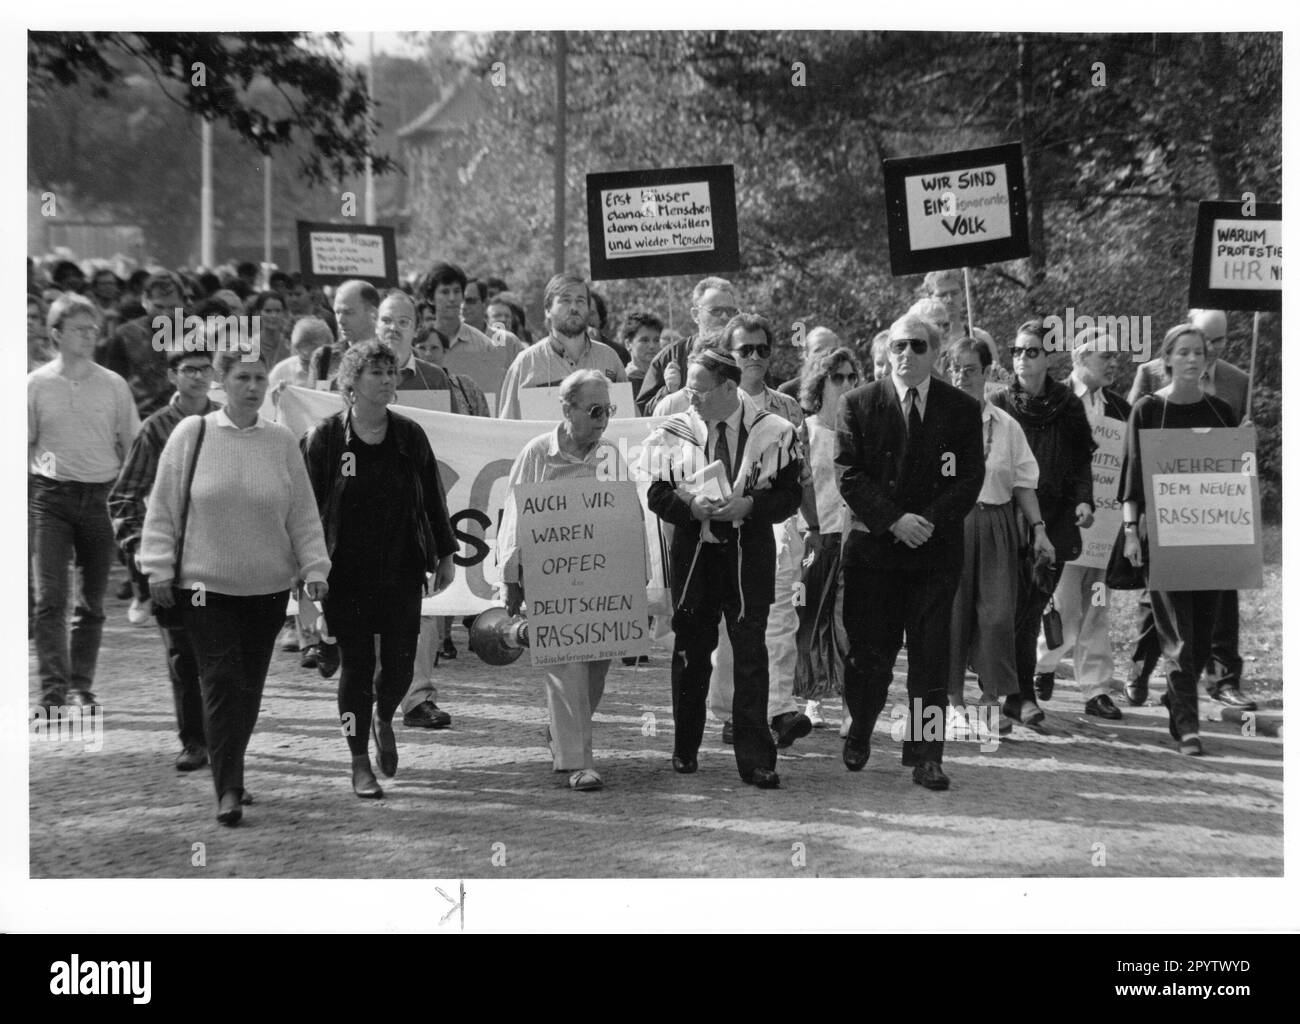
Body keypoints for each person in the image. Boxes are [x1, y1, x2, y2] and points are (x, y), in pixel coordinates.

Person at [141, 349, 330, 825]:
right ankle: (228, 788)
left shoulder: (282, 441)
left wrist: (315, 569)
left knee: (247, 686)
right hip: (205, 589)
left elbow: (302, 513)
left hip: (266, 591)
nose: (252, 386)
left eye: (260, 377)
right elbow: (163, 505)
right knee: (221, 678)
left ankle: (232, 768)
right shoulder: (193, 434)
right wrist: (158, 567)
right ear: (223, 385)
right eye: (242, 377)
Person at [834, 313, 983, 791]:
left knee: (930, 658)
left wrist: (929, 522)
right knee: (868, 655)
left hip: (934, 553)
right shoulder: (858, 404)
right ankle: (861, 727)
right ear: (887, 350)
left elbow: (969, 477)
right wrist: (894, 520)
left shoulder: (959, 408)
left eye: (918, 346)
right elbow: (848, 475)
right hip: (875, 552)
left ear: (934, 353)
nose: (906, 355)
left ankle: (926, 754)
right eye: (898, 345)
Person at [302, 341, 457, 798]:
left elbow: (434, 498)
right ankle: (358, 762)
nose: (389, 380)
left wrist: (445, 555)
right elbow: (307, 511)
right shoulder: (325, 439)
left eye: (392, 372)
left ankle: (383, 715)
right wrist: (308, 574)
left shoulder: (410, 436)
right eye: (377, 373)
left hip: (402, 567)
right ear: (351, 384)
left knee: (401, 668)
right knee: (358, 666)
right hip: (345, 573)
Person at [643, 349, 804, 789]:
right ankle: (685, 747)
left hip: (747, 555)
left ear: (730, 388)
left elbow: (790, 496)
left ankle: (755, 760)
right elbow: (656, 495)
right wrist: (690, 506)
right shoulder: (673, 430)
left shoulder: (776, 432)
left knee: (750, 653)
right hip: (696, 554)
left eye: (699, 389)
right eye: (688, 388)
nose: (689, 397)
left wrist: (751, 504)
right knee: (691, 652)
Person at [497, 370, 634, 791]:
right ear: (567, 409)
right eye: (594, 410)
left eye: (608, 410)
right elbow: (514, 519)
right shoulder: (537, 454)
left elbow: (631, 519)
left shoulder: (611, 455)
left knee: (594, 671)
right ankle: (579, 761)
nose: (603, 419)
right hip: (551, 585)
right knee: (565, 669)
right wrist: (511, 577)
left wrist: (634, 588)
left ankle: (563, 736)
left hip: (602, 585)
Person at [1125, 308, 1255, 710]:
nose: (1200, 356)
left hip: (1207, 527)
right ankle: (1164, 698)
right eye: (1188, 349)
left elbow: (1232, 470)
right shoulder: (1148, 395)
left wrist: (1244, 443)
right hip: (1159, 526)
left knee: (1203, 624)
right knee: (1168, 620)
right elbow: (1133, 462)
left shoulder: (1230, 397)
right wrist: (1132, 529)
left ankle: (1184, 690)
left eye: (1207, 348)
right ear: (1168, 357)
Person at [108, 348, 221, 770]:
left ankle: (225, 742)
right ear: (173, 376)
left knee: (222, 654)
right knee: (182, 654)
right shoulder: (156, 430)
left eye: (204, 369)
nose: (197, 377)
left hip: (219, 561)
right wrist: (143, 553)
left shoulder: (226, 423)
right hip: (172, 564)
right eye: (188, 370)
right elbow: (122, 497)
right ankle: (194, 741)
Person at [29, 294, 140, 713]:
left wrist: (127, 499)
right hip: (50, 499)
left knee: (91, 602)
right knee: (50, 600)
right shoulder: (35, 384)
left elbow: (131, 446)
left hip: (101, 497)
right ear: (56, 334)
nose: (89, 336)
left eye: (93, 329)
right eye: (79, 329)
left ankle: (81, 685)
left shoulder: (113, 384)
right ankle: (52, 691)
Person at [988, 319, 1095, 727]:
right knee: (1006, 608)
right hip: (1008, 517)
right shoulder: (999, 402)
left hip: (1054, 520)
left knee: (1032, 606)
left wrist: (1084, 500)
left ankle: (1020, 694)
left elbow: (1082, 459)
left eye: (1031, 351)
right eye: (1016, 351)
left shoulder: (1067, 405)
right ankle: (1008, 692)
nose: (1022, 359)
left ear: (1048, 358)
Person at [943, 337, 1048, 736]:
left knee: (998, 616)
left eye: (971, 369)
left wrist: (1039, 529)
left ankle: (991, 701)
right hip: (952, 524)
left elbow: (1024, 483)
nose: (962, 377)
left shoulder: (1006, 426)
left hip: (997, 524)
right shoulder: (938, 422)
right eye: (956, 368)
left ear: (987, 373)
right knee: (953, 613)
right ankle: (953, 703)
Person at [1032, 327, 1130, 719]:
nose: (1113, 363)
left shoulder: (1123, 409)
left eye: (1115, 357)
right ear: (1080, 358)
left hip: (1105, 525)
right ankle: (1044, 664)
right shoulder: (1052, 400)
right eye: (1105, 356)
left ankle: (1096, 688)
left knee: (1099, 606)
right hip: (1065, 522)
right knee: (1064, 603)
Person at [794, 346, 862, 730]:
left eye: (852, 377)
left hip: (854, 540)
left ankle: (852, 708)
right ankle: (813, 698)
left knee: (849, 625)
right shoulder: (804, 431)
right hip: (816, 539)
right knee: (810, 622)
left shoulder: (860, 428)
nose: (847, 384)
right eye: (838, 377)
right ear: (820, 383)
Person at [497, 271, 627, 419]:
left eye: (580, 301)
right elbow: (508, 429)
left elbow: (628, 423)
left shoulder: (609, 359)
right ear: (547, 310)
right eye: (565, 300)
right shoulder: (526, 363)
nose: (574, 308)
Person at [636, 277, 739, 414]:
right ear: (695, 315)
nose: (725, 317)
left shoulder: (747, 351)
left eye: (731, 312)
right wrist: (668, 391)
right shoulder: (671, 356)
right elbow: (643, 413)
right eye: (716, 311)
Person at [97, 272, 184, 418]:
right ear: (145, 300)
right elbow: (113, 383)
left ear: (181, 303)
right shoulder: (126, 334)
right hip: (140, 418)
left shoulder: (194, 333)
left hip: (186, 418)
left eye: (172, 307)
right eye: (159, 306)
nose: (165, 313)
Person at [310, 279, 379, 384]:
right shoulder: (324, 358)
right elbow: (309, 399)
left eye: (348, 312)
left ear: (372, 313)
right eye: (337, 312)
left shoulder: (392, 357)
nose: (340, 320)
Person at [777, 325, 841, 403]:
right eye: (818, 351)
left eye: (831, 351)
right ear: (806, 355)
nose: (825, 356)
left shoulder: (848, 387)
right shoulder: (787, 393)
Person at [269, 316, 333, 392]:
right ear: (296, 347)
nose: (312, 367)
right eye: (305, 362)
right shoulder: (281, 371)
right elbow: (269, 400)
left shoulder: (337, 370)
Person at [619, 309, 664, 404]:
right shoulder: (622, 382)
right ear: (628, 344)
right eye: (644, 340)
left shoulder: (665, 379)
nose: (652, 346)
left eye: (656, 340)